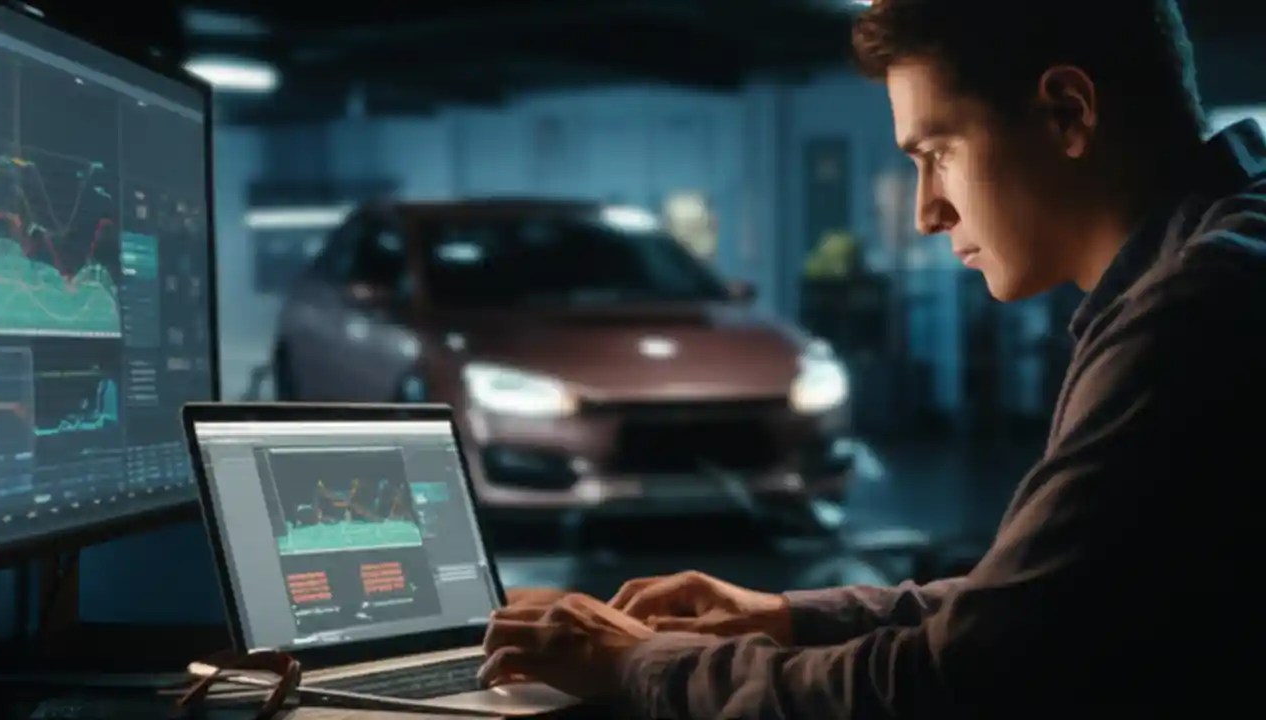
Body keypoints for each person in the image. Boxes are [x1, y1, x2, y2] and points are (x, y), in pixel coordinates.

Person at [481, 0, 1266, 716]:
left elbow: (952, 681)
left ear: (1066, 113)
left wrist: (642, 665)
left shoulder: (1194, 314)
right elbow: (1044, 605)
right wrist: (784, 618)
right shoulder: (1221, 257)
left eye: (938, 151)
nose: (927, 210)